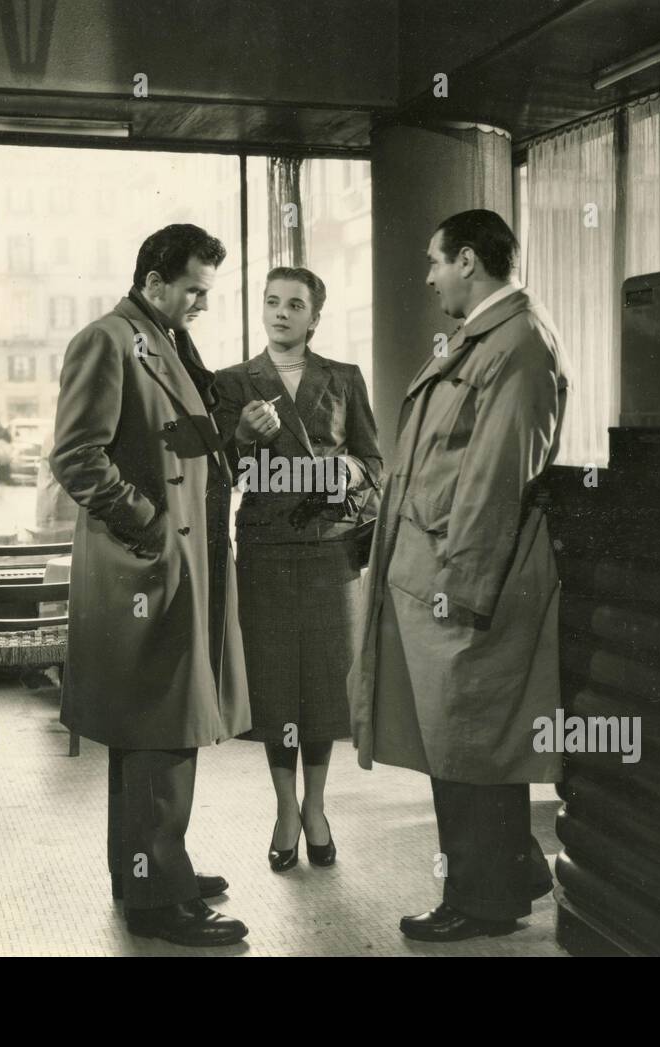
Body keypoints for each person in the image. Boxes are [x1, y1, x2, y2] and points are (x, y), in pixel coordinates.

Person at [348, 209, 568, 943]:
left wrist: (460, 590)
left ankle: (481, 900)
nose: (431, 274)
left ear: (469, 260)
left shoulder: (518, 345)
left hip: (466, 584)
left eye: (437, 261)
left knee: (470, 745)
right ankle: (508, 871)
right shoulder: (489, 340)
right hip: (441, 575)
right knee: (461, 745)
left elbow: (496, 477)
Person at [50, 223, 251, 947]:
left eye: (206, 288)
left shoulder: (162, 337)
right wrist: (153, 526)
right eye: (194, 287)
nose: (202, 300)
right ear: (155, 278)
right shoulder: (109, 339)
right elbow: (76, 456)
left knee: (152, 729)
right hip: (150, 564)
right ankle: (159, 899)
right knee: (161, 728)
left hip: (175, 561)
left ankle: (146, 868)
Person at [213, 266, 381, 873]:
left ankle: (317, 806)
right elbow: (218, 475)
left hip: (330, 549)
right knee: (276, 682)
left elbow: (374, 461)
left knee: (325, 683)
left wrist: (349, 473)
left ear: (315, 317)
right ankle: (286, 808)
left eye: (295, 304)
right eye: (271, 302)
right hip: (266, 551)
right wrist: (238, 437)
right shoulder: (232, 383)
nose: (281, 313)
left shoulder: (344, 378)